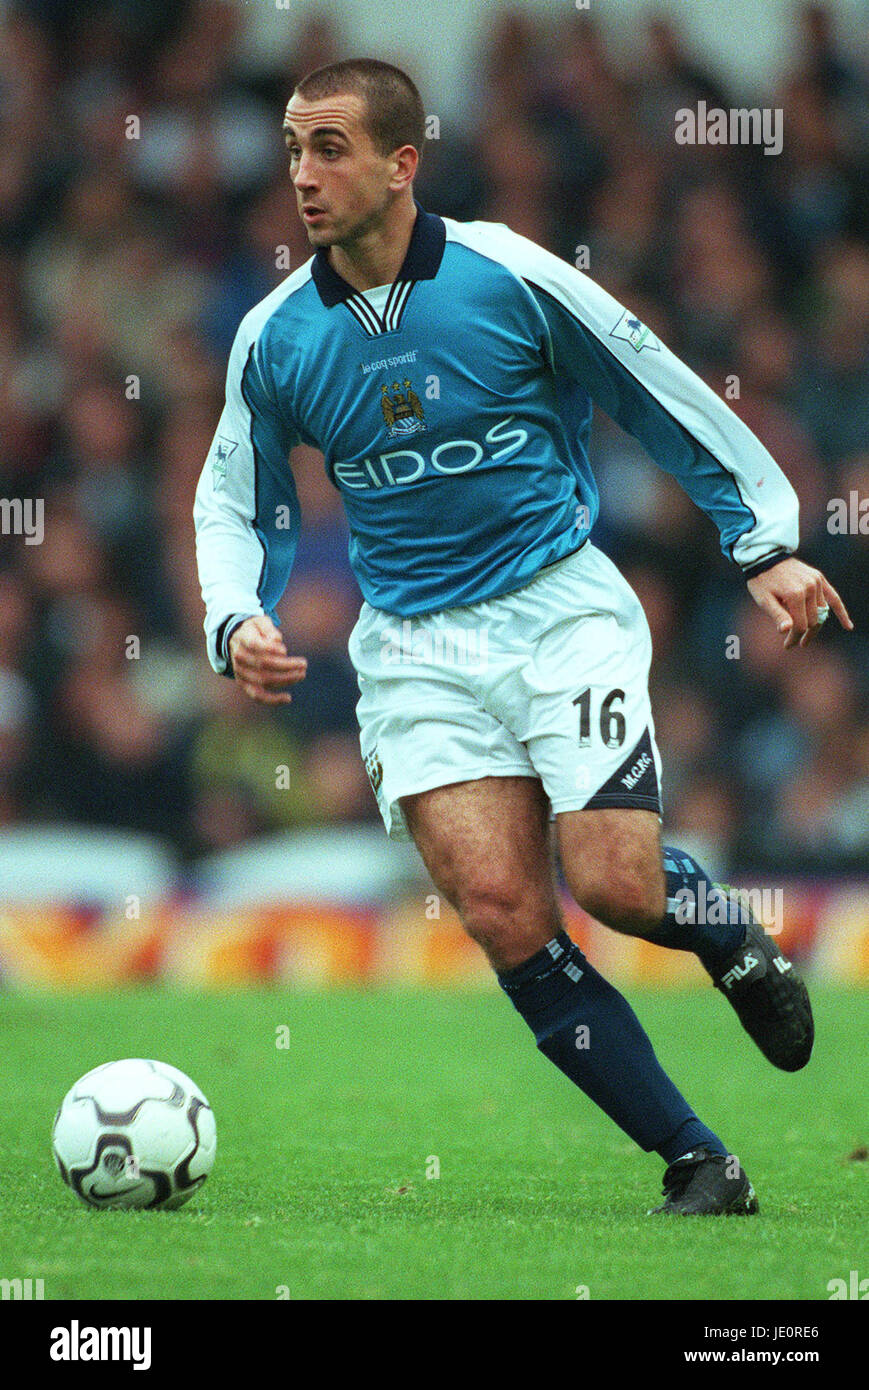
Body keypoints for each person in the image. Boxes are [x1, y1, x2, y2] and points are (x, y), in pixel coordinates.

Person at [193, 59, 853, 1215]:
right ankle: (696, 1159)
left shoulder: (506, 273)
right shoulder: (275, 338)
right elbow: (233, 499)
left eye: (330, 147)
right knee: (502, 911)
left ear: (403, 165)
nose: (302, 173)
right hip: (411, 649)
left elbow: (649, 382)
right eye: (294, 147)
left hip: (555, 613)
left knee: (614, 883)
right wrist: (234, 614)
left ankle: (717, 928)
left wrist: (764, 542)